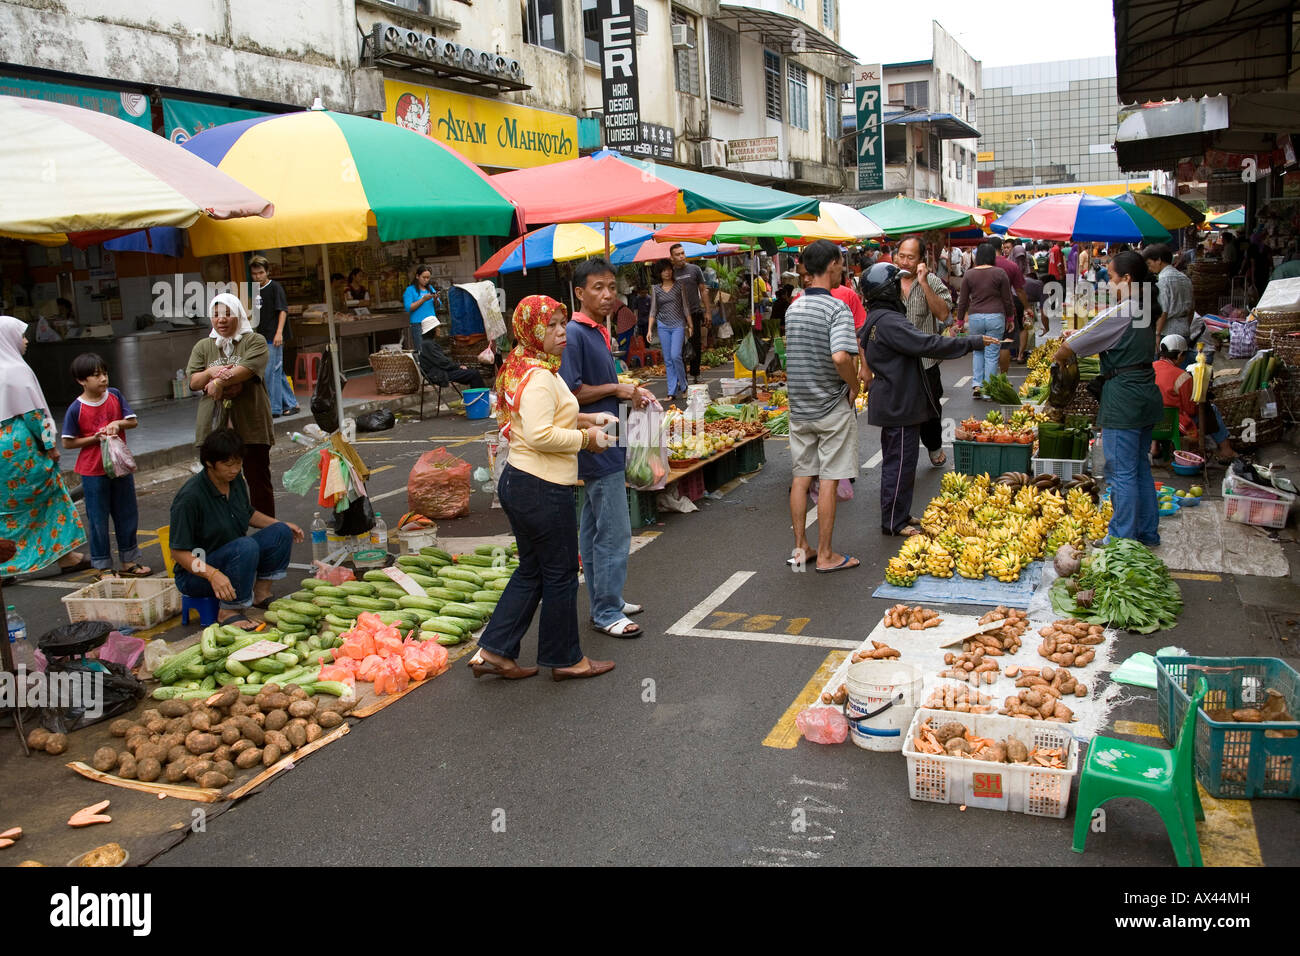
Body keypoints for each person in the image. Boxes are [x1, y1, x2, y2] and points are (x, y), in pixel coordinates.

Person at [471, 295, 618, 680]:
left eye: (560, 323)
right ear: (532, 330)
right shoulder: (537, 375)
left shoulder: (530, 364)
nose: (560, 331)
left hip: (523, 482)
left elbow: (546, 417)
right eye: (550, 325)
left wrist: (586, 418)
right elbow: (538, 434)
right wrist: (587, 441)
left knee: (533, 570)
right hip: (541, 486)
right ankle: (566, 659)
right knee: (561, 573)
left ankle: (495, 649)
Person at [861, 263, 997, 536]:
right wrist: (972, 342)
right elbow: (929, 344)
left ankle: (899, 513)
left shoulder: (878, 318)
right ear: (887, 290)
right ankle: (893, 522)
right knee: (899, 464)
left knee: (901, 462)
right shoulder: (889, 321)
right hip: (899, 403)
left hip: (895, 399)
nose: (902, 289)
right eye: (897, 285)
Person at [560, 259, 654, 638]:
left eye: (611, 287)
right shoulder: (575, 333)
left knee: (594, 525)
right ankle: (606, 612)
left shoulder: (598, 331)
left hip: (609, 437)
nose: (607, 294)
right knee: (613, 530)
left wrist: (629, 392)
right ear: (579, 292)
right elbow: (572, 392)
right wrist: (618, 389)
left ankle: (607, 598)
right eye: (598, 287)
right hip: (595, 443)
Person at [1053, 250, 1165, 546]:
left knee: (1121, 472)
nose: (1109, 284)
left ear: (1127, 279)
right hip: (1145, 392)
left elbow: (1067, 350)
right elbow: (1107, 334)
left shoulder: (1124, 309)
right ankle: (1146, 533)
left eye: (1112, 278)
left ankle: (1121, 537)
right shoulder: (1145, 308)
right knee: (1139, 466)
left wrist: (1065, 347)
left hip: (1123, 399)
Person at [169, 428, 303, 629]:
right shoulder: (190, 498)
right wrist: (212, 574)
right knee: (245, 546)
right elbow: (179, 553)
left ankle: (261, 594)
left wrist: (280, 525)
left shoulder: (235, 480)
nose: (234, 469)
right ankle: (229, 611)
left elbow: (247, 513)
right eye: (227, 464)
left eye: (238, 463)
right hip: (196, 575)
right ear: (209, 463)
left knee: (280, 532)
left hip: (235, 559)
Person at [784, 240, 861, 574]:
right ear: (831, 264)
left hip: (799, 407)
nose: (842, 267)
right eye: (840, 262)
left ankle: (801, 547)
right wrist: (854, 384)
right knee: (828, 479)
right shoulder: (836, 309)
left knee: (801, 477)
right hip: (830, 405)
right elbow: (841, 356)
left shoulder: (794, 308)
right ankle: (827, 555)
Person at [0, 316, 89, 579]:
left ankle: (7, 565)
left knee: (8, 510)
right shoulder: (16, 369)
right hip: (20, 452)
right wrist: (51, 447)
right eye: (22, 335)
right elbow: (35, 415)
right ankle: (66, 556)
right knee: (50, 498)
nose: (26, 341)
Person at [186, 293, 277, 517]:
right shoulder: (203, 346)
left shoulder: (253, 341)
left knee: (258, 480)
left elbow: (246, 370)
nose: (221, 320)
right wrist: (209, 372)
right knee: (217, 482)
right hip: (214, 426)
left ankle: (268, 531)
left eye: (228, 314)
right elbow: (193, 382)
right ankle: (226, 528)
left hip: (251, 423)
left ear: (238, 315)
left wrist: (217, 382)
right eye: (216, 315)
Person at [60, 353, 150, 580]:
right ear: (82, 380)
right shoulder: (76, 409)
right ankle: (102, 566)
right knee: (98, 519)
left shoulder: (115, 396)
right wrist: (95, 438)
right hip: (93, 471)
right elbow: (67, 442)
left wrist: (117, 423)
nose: (103, 379)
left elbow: (133, 421)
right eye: (96, 375)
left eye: (105, 373)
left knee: (127, 513)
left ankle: (129, 561)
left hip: (119, 466)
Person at [895, 235, 954, 466]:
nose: (905, 262)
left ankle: (934, 445)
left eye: (911, 257)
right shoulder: (887, 281)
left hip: (925, 361)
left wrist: (925, 283)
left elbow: (943, 314)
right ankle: (903, 453)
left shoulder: (931, 281)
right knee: (899, 411)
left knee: (930, 409)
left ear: (921, 259)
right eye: (901, 256)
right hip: (897, 362)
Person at [1152, 334, 1237, 464]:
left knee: (1157, 406)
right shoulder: (1183, 376)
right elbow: (1190, 410)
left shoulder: (1149, 368)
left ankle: (1155, 446)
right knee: (1211, 409)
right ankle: (1226, 449)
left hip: (1148, 420)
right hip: (1171, 423)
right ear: (1180, 355)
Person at [957, 243, 1014, 398]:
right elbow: (1007, 299)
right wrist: (1010, 318)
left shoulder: (969, 274)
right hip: (995, 316)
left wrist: (960, 321)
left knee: (977, 351)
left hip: (975, 317)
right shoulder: (1000, 273)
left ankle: (977, 384)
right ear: (992, 257)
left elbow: (962, 301)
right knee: (992, 354)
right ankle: (989, 389)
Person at [249, 256, 298, 417]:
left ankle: (275, 408)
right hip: (262, 335)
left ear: (267, 272)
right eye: (255, 273)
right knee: (277, 370)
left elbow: (282, 310)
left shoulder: (275, 287)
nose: (258, 276)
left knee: (271, 371)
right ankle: (291, 403)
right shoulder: (255, 290)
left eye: (261, 273)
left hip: (274, 335)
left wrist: (279, 333)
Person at [646, 259, 690, 401]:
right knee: (668, 360)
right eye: (664, 270)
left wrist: (690, 324)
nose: (667, 272)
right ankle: (671, 391)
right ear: (659, 273)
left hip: (678, 324)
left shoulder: (679, 286)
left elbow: (685, 306)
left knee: (676, 355)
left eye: (669, 269)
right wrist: (649, 330)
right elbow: (653, 310)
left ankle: (684, 386)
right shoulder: (655, 289)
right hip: (662, 325)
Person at [670, 244, 711, 381]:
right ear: (671, 258)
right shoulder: (669, 273)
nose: (681, 256)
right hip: (676, 315)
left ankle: (695, 373)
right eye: (677, 254)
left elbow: (703, 290)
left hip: (694, 312)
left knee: (695, 344)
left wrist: (707, 312)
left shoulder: (695, 269)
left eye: (682, 253)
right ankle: (682, 377)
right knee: (678, 347)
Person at [1142, 242, 1194, 347]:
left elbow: (1163, 311)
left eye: (1149, 263)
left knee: (1164, 363)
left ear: (1159, 260)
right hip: (1184, 331)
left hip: (1167, 333)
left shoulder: (1162, 280)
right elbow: (1192, 309)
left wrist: (1157, 334)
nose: (1149, 268)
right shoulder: (1185, 278)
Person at [404, 264, 438, 350]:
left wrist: (435, 299)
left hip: (431, 322)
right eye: (424, 277)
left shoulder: (430, 288)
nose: (426, 280)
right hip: (418, 323)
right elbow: (409, 307)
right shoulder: (410, 290)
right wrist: (423, 299)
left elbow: (438, 305)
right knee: (420, 349)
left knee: (432, 348)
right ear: (417, 276)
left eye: (428, 278)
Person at [1024, 268, 1047, 340]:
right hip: (1021, 305)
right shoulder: (1040, 285)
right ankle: (1023, 350)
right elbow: (1044, 313)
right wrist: (1047, 328)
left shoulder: (1025, 279)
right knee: (1026, 328)